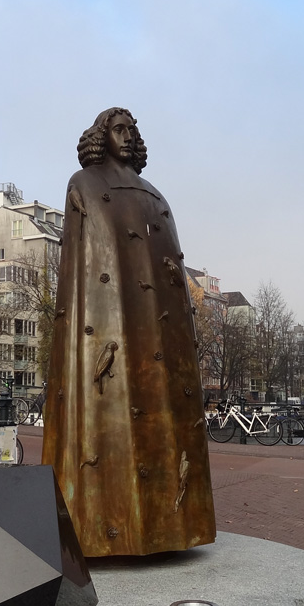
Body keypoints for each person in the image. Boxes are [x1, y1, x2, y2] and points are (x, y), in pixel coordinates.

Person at [42, 108, 216, 557]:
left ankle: (171, 525)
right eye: (118, 129)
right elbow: (80, 262)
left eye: (131, 130)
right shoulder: (84, 184)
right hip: (103, 318)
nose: (127, 136)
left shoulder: (154, 194)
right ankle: (101, 527)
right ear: (101, 136)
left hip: (155, 324)